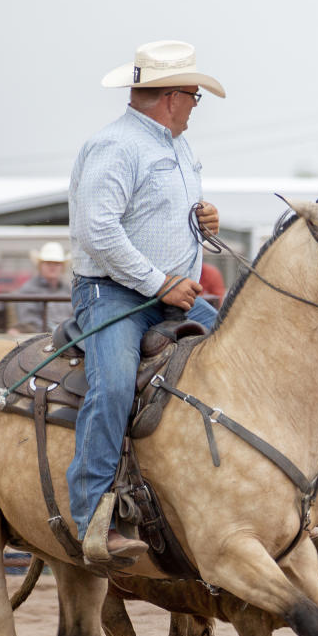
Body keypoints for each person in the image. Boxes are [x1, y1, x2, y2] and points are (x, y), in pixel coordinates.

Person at [66, 40, 225, 565]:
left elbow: (143, 216)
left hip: (168, 292)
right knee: (111, 386)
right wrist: (159, 283)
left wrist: (201, 223)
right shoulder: (116, 146)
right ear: (172, 97)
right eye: (195, 97)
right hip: (112, 292)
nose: (197, 106)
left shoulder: (177, 148)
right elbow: (98, 230)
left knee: (239, 361)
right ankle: (92, 518)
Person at [8, 242, 74, 334]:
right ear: (40, 266)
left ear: (62, 267)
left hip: (67, 335)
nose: (52, 267)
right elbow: (29, 321)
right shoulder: (28, 289)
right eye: (48, 263)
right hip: (41, 337)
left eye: (57, 263)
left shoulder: (68, 289)